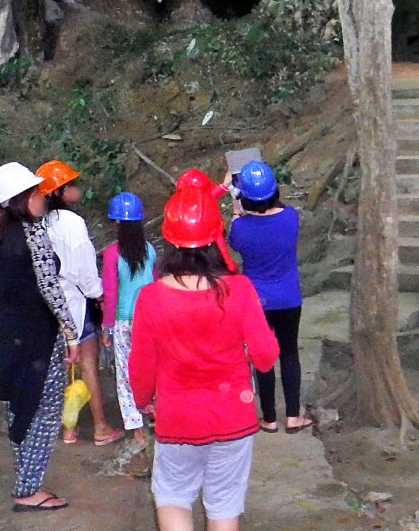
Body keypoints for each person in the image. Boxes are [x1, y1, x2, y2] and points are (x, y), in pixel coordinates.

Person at [129, 187, 279, 531]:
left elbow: (141, 364)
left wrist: (143, 401)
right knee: (224, 504)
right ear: (217, 236)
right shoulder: (239, 290)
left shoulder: (150, 297)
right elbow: (266, 355)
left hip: (176, 418)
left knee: (173, 496)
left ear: (168, 239)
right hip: (232, 416)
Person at [0, 162, 83, 513]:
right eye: (36, 192)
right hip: (39, 338)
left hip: (8, 335)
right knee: (44, 413)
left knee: (21, 409)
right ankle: (28, 488)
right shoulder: (34, 235)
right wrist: (71, 333)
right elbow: (50, 287)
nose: (42, 197)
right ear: (22, 198)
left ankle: (27, 480)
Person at [35, 159, 125, 447]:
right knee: (87, 365)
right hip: (75, 303)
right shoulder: (72, 223)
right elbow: (84, 268)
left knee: (62, 367)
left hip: (49, 306)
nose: (78, 188)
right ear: (60, 192)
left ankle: (69, 429)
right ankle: (99, 426)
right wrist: (98, 293)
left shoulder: (39, 222)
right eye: (72, 184)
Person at [227, 160, 311, 434]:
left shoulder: (240, 229)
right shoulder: (291, 218)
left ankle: (270, 418)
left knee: (262, 356)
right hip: (289, 296)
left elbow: (236, 239)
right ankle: (294, 416)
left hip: (257, 301)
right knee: (289, 353)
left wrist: (235, 204)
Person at [99, 191, 155, 446]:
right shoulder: (150, 250)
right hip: (151, 319)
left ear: (116, 223)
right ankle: (155, 413)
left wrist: (106, 328)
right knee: (153, 369)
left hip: (123, 321)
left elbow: (110, 294)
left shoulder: (112, 253)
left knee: (125, 375)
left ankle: (137, 430)